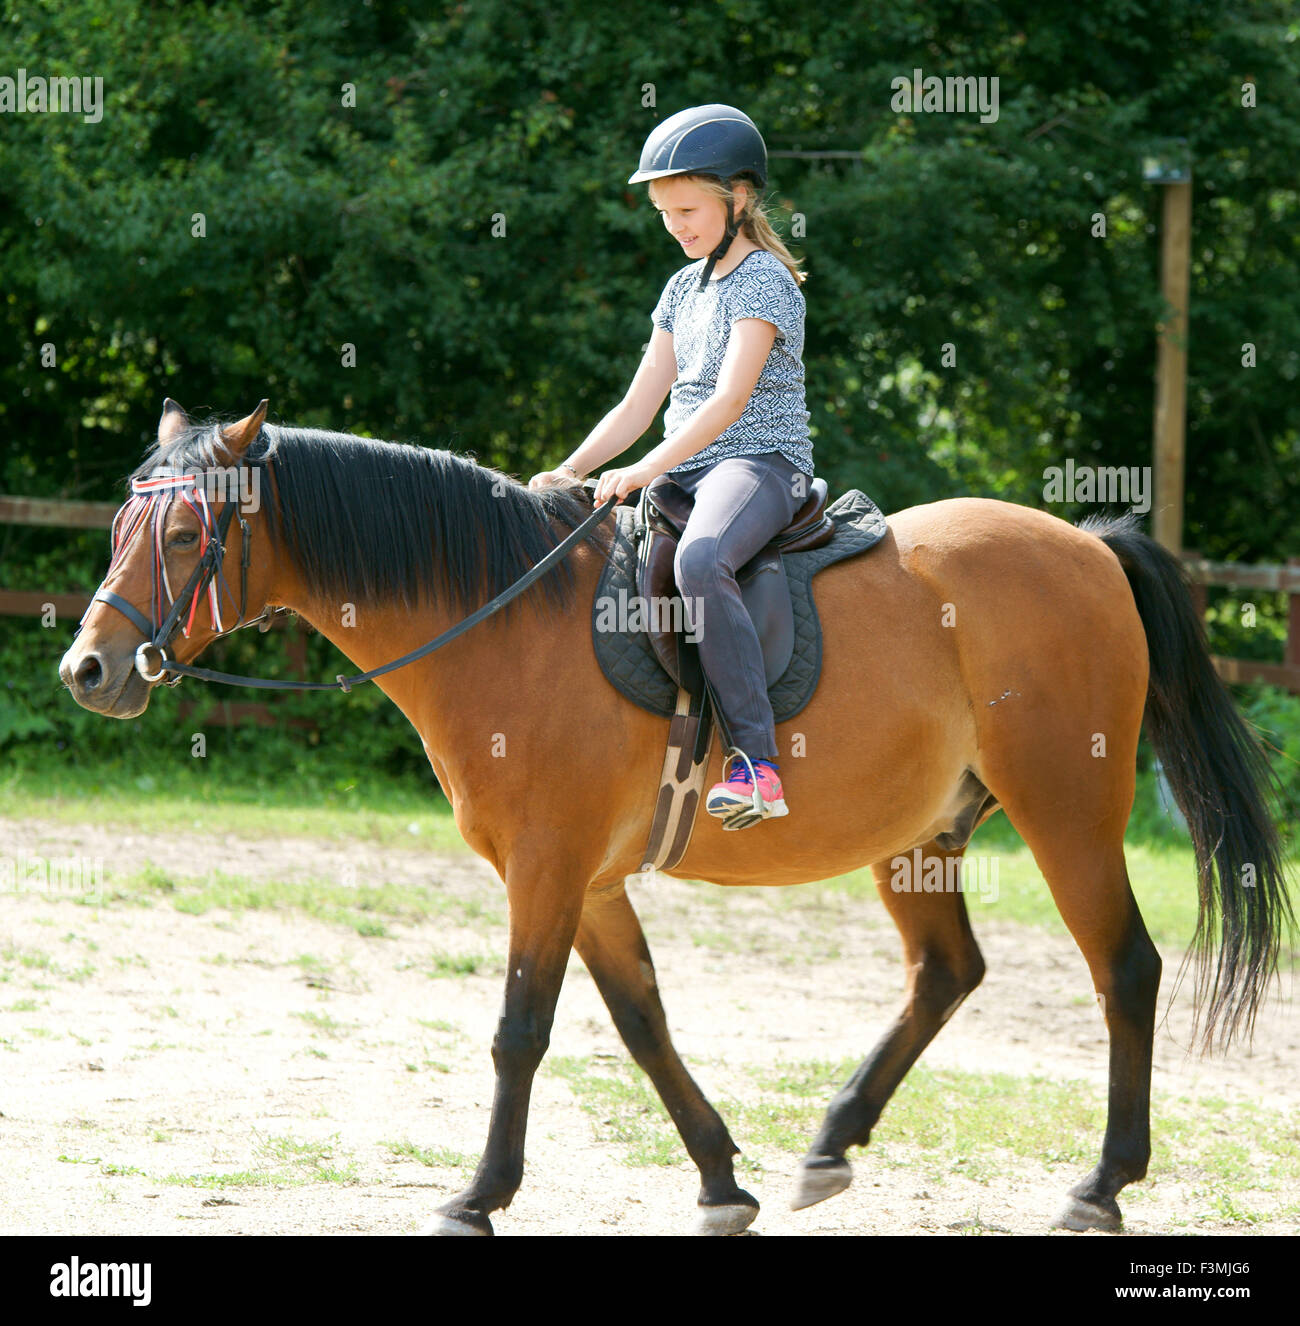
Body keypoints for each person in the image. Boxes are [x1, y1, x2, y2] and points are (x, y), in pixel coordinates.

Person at [530, 104, 813, 826]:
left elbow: (725, 404)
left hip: (758, 462)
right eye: (664, 213)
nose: (677, 226)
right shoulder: (682, 289)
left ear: (738, 197)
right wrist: (569, 468)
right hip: (685, 467)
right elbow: (637, 403)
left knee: (703, 558)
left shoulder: (765, 281)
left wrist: (639, 471)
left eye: (688, 209)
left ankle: (758, 766)